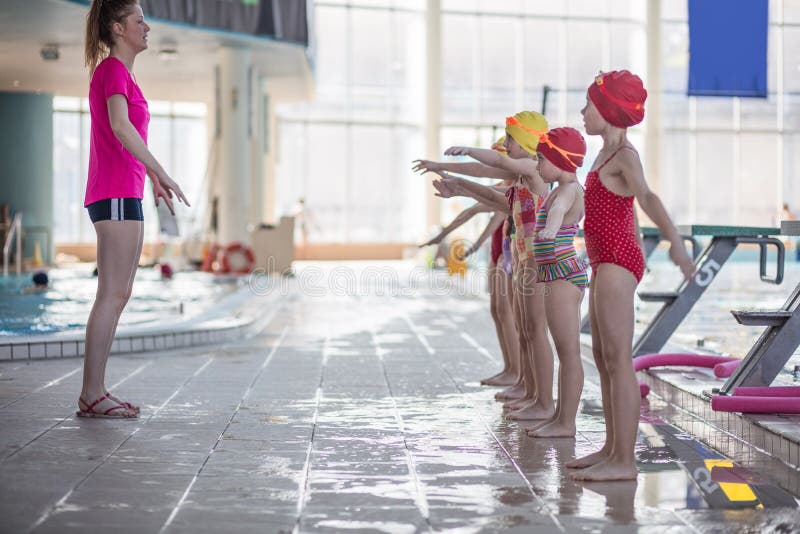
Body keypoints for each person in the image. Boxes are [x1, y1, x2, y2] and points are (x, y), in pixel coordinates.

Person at [568, 70, 693, 480]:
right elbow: (625, 212)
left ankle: (625, 462)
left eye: (589, 105)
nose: (582, 112)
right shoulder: (604, 156)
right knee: (605, 358)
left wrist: (675, 241)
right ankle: (611, 448)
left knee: (619, 360)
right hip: (605, 259)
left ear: (608, 109)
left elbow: (647, 197)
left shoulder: (625, 156)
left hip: (618, 261)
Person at [79, 0, 189, 418]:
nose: (147, 26)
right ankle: (92, 392)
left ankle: (95, 390)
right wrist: (161, 169)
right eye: (139, 20)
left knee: (119, 292)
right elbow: (120, 127)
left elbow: (124, 135)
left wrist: (152, 176)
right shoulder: (111, 70)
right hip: (114, 194)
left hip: (124, 191)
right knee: (111, 293)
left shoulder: (123, 75)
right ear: (117, 27)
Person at [431, 111, 556, 421]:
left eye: (511, 139)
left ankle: (544, 401)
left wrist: (463, 153)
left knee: (535, 331)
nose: (506, 145)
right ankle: (530, 391)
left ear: (527, 143)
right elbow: (492, 196)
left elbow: (496, 165)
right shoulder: (522, 181)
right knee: (526, 330)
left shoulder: (533, 168)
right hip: (524, 261)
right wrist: (460, 186)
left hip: (538, 265)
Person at [414, 138, 520, 387]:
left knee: (514, 317)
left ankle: (519, 373)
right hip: (502, 251)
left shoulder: (522, 185)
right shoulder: (504, 186)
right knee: (499, 311)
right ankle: (511, 369)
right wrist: (441, 237)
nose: (494, 166)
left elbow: (493, 218)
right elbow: (470, 209)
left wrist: (473, 246)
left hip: (511, 252)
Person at [522, 127, 589, 439]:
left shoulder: (568, 190)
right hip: (555, 272)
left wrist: (550, 229)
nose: (537, 165)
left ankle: (566, 422)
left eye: (541, 159)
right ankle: (561, 418)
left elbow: (560, 211)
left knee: (568, 351)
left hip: (563, 272)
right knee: (566, 350)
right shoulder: (558, 187)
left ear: (560, 159)